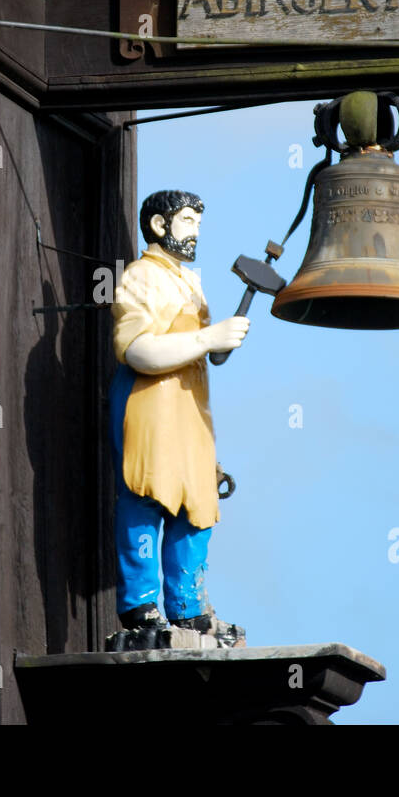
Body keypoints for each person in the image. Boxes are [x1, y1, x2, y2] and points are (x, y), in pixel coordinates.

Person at [109, 189, 249, 645]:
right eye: (187, 221)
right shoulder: (141, 277)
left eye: (197, 224)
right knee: (148, 495)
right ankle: (141, 604)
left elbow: (206, 355)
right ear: (158, 225)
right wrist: (210, 338)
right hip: (150, 405)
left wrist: (220, 340)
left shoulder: (191, 282)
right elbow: (138, 350)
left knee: (198, 505)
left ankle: (188, 608)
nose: (195, 232)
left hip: (190, 411)